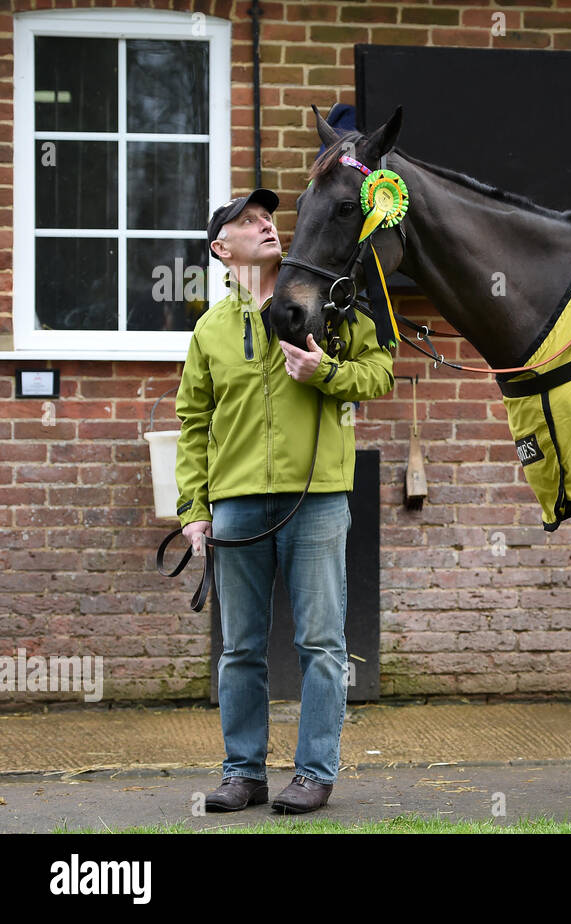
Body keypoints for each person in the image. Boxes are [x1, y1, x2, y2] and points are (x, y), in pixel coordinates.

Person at [174, 189, 395, 813]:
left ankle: (314, 774)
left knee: (322, 643)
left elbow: (381, 371)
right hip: (237, 504)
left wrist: (325, 372)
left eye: (269, 218)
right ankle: (242, 773)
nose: (266, 226)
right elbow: (193, 423)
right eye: (248, 222)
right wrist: (193, 510)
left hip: (318, 497)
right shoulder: (210, 331)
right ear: (221, 249)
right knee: (240, 647)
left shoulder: (333, 303)